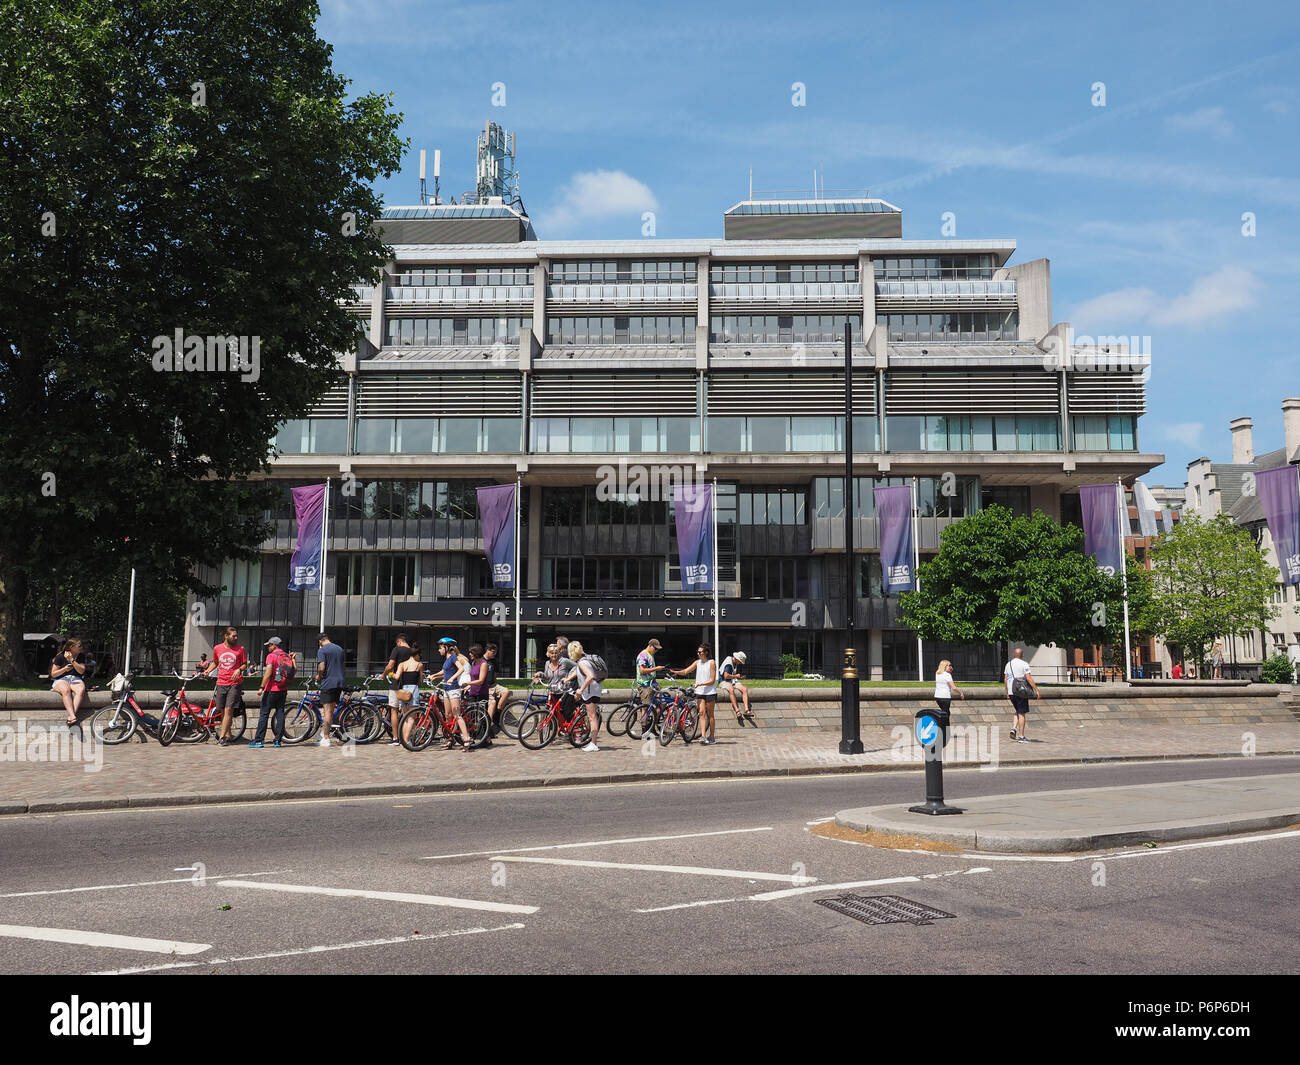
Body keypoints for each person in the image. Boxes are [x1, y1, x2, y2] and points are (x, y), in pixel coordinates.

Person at [203, 627, 248, 746]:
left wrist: (239, 669)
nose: (236, 638)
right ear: (226, 636)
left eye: (236, 636)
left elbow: (244, 664)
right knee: (222, 710)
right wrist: (207, 671)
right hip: (221, 682)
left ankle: (222, 737)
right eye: (234, 636)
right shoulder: (217, 648)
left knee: (229, 709)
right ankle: (228, 734)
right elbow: (216, 662)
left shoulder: (240, 649)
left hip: (235, 683)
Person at [250, 637, 296, 748]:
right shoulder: (286, 656)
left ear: (274, 645)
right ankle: (277, 741)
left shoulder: (271, 656)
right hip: (283, 689)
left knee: (264, 714)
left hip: (271, 689)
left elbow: (268, 672)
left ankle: (259, 741)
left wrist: (261, 687)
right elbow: (294, 670)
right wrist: (293, 659)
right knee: (280, 714)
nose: (268, 647)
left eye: (269, 645)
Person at [672, 644, 718, 745]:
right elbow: (686, 671)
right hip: (700, 692)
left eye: (700, 652)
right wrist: (677, 672)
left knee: (710, 714)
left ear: (706, 652)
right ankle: (703, 736)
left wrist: (700, 683)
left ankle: (712, 736)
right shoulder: (697, 662)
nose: (698, 653)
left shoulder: (712, 663)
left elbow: (712, 680)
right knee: (701, 713)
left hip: (710, 692)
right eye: (697, 652)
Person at [436, 637, 474, 750]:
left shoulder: (453, 657)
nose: (439, 650)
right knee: (448, 716)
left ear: (446, 648)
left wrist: (453, 678)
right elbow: (444, 671)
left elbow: (461, 669)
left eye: (440, 648)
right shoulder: (447, 659)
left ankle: (466, 739)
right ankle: (450, 739)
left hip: (453, 689)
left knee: (457, 715)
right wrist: (434, 676)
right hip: (446, 689)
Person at [568, 640, 602, 752]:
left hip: (590, 691)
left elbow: (590, 675)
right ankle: (593, 743)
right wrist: (568, 678)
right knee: (592, 716)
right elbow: (579, 671)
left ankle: (594, 744)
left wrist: (580, 690)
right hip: (594, 690)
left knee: (592, 717)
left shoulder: (582, 662)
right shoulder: (584, 659)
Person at [50, 638, 89, 734]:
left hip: (76, 679)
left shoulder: (81, 656)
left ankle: (71, 717)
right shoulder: (60, 656)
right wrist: (64, 670)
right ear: (72, 647)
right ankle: (73, 716)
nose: (81, 648)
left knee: (81, 690)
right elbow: (53, 674)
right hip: (61, 679)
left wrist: (72, 661)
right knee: (66, 689)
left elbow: (81, 671)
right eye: (79, 646)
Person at [315, 632, 346, 748]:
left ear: (320, 641)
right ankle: (336, 734)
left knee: (327, 711)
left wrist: (319, 675)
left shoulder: (322, 650)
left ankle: (326, 738)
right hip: (340, 681)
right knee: (334, 709)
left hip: (328, 682)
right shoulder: (339, 649)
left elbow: (322, 667)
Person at [382, 633, 412, 746]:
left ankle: (396, 738)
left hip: (397, 683)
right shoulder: (412, 651)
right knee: (407, 712)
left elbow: (390, 665)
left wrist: (384, 674)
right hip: (409, 684)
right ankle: (407, 738)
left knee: (394, 710)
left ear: (399, 641)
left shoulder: (397, 649)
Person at [1004, 647, 1039, 743]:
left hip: (1011, 691)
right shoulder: (1024, 664)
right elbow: (1028, 678)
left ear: (1014, 655)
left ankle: (1013, 728)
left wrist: (1007, 691)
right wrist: (1036, 690)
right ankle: (1021, 736)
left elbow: (1005, 679)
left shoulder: (1008, 664)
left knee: (1018, 711)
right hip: (1021, 692)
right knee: (1022, 713)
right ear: (1022, 655)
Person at [393, 642, 425, 744]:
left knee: (405, 718)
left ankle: (403, 740)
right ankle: (407, 741)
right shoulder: (419, 665)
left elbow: (397, 677)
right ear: (417, 654)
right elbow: (420, 681)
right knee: (411, 718)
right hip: (413, 690)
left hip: (403, 691)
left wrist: (390, 674)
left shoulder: (402, 664)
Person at [719, 650, 754, 724]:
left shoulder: (734, 662)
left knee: (744, 689)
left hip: (732, 680)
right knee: (731, 690)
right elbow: (726, 676)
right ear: (737, 659)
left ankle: (747, 710)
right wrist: (736, 676)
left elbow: (732, 675)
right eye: (740, 662)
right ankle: (737, 710)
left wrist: (739, 677)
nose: (740, 663)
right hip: (724, 681)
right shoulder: (729, 664)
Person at [482, 643, 510, 735]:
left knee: (506, 691)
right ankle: (487, 726)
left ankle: (498, 713)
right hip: (486, 687)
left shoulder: (494, 661)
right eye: (493, 652)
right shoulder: (481, 661)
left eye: (496, 652)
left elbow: (494, 675)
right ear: (487, 650)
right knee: (492, 702)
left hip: (493, 685)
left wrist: (496, 685)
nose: (494, 654)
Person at [933, 659, 965, 731]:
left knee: (945, 712)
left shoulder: (937, 673)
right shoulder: (947, 675)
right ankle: (945, 731)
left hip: (937, 696)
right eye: (949, 665)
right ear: (945, 666)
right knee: (946, 714)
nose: (951, 667)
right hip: (945, 697)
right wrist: (961, 693)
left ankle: (942, 729)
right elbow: (953, 687)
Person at [635, 639, 664, 706]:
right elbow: (642, 671)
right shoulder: (643, 655)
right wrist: (656, 668)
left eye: (658, 649)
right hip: (645, 685)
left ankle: (655, 716)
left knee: (663, 703)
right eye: (655, 648)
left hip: (653, 684)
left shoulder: (650, 654)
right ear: (650, 645)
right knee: (645, 708)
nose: (656, 651)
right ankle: (645, 716)